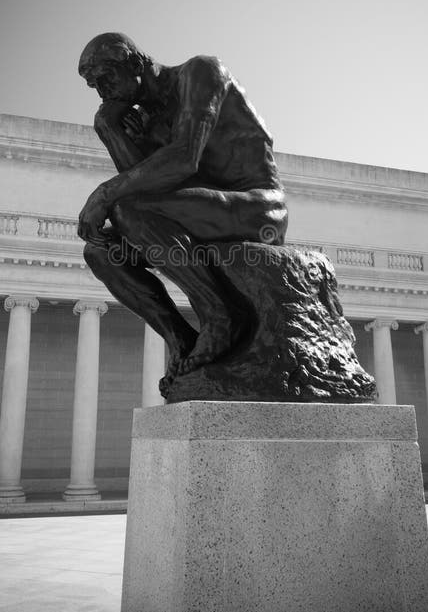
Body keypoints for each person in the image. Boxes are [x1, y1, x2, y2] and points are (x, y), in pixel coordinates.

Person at [77, 32, 288, 390]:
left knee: (123, 205)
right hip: (205, 212)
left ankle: (222, 315)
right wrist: (110, 129)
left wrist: (104, 193)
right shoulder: (144, 119)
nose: (101, 91)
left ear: (134, 62)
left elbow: (184, 158)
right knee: (100, 251)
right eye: (93, 85)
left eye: (105, 78)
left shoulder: (200, 73)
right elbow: (146, 190)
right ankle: (180, 339)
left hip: (257, 206)